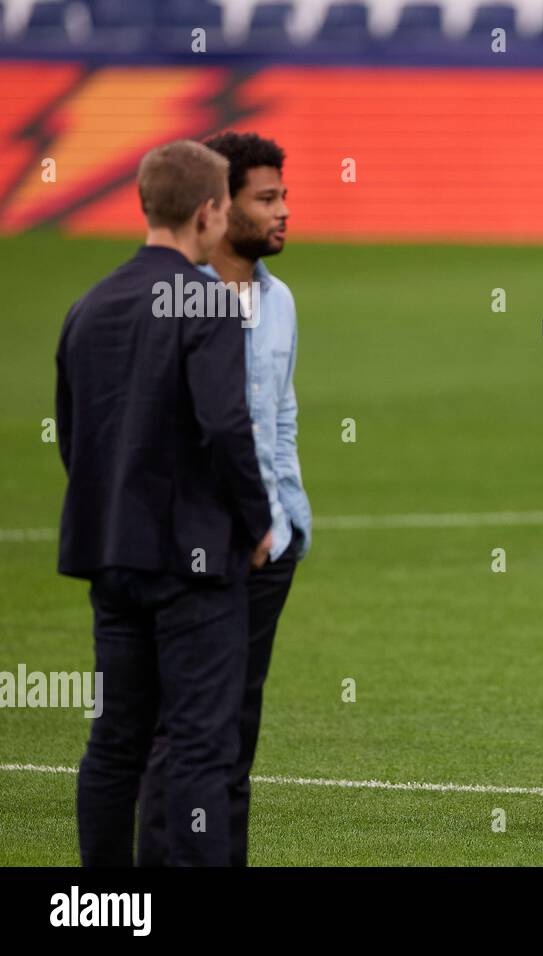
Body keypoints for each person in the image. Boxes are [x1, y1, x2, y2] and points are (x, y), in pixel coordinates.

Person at [57, 140, 272, 866]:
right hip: (195, 561)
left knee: (115, 739)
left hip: (112, 553)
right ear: (210, 213)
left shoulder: (89, 304)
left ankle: (106, 904)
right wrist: (255, 521)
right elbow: (224, 424)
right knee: (199, 745)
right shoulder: (205, 297)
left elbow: (74, 435)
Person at [136, 132, 311, 867]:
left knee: (236, 732)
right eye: (266, 199)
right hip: (201, 546)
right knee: (181, 736)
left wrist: (289, 518)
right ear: (218, 206)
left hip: (270, 544)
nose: (284, 213)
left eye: (284, 196)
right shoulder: (176, 300)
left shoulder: (279, 300)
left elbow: (280, 415)